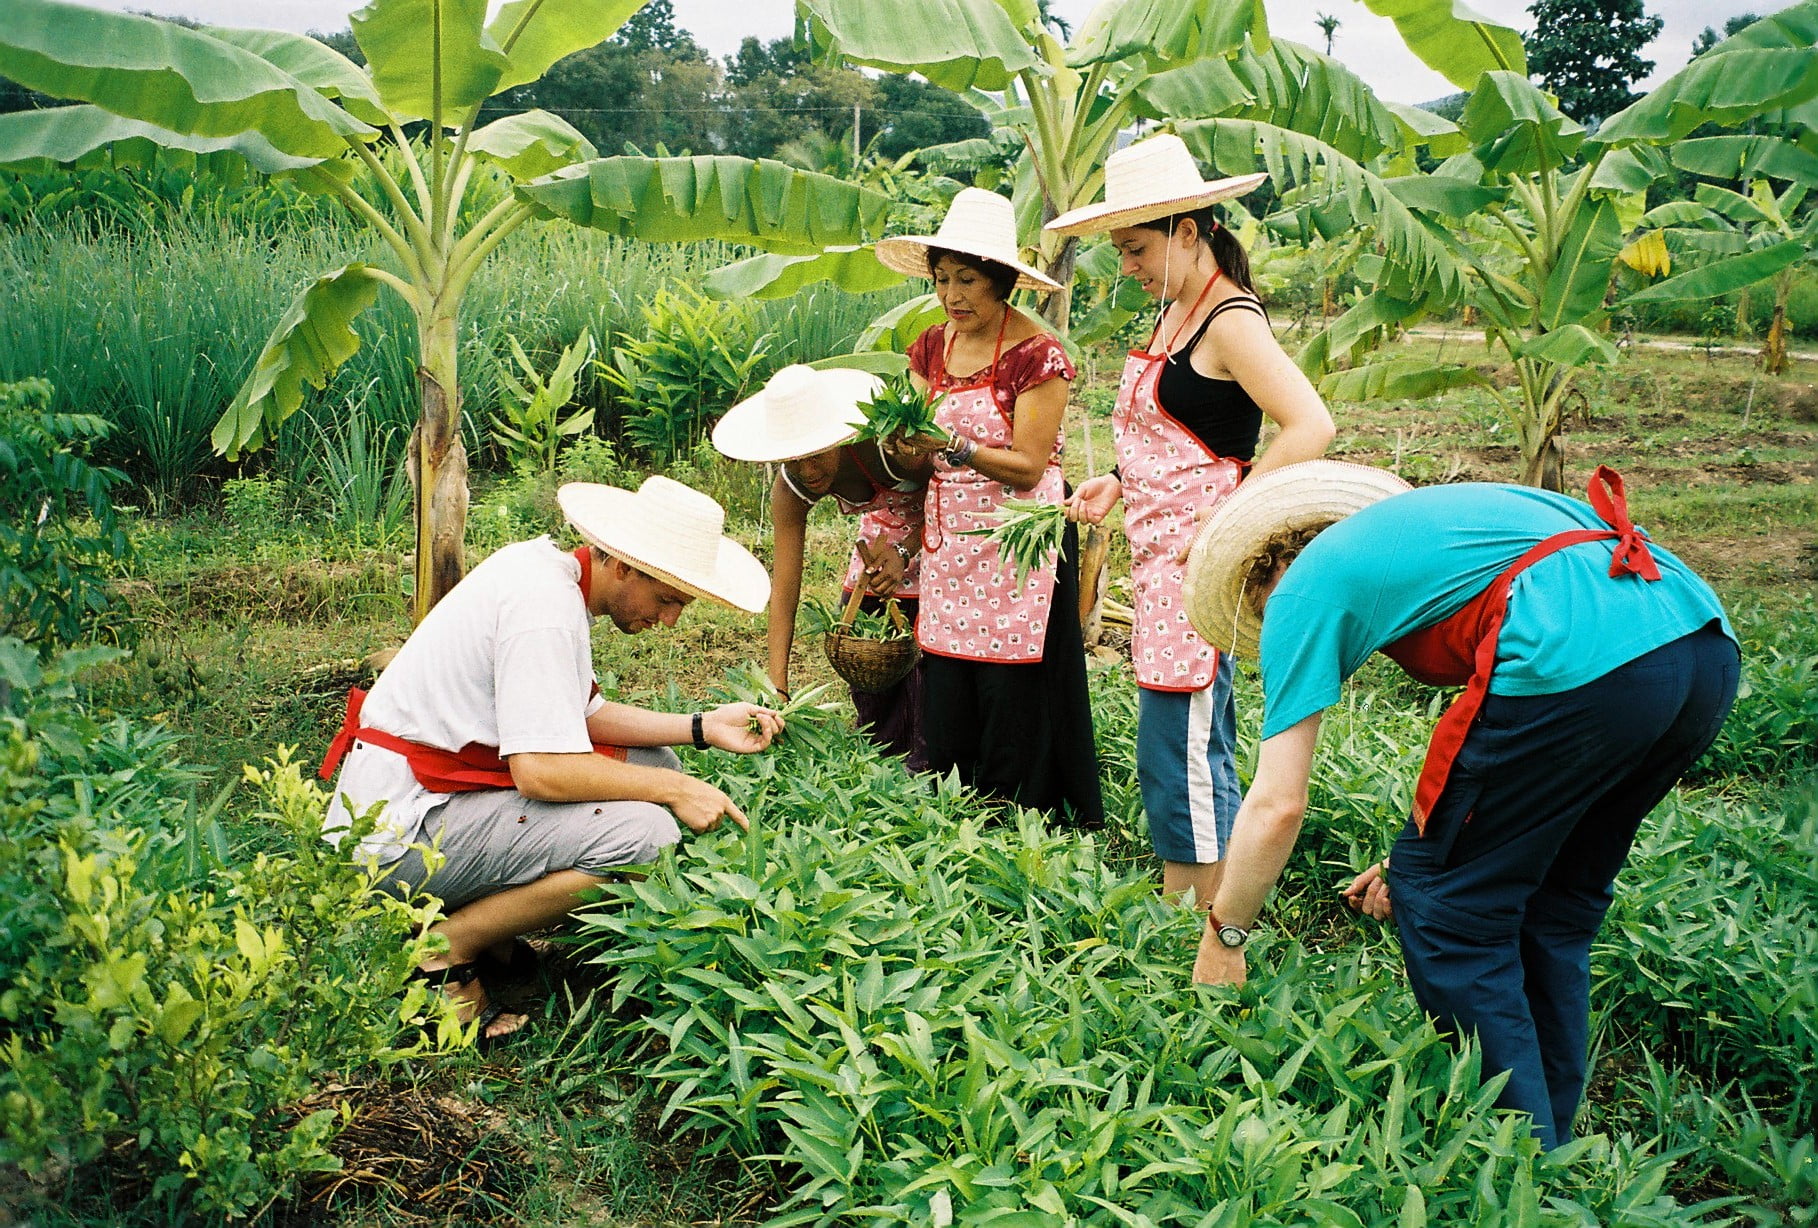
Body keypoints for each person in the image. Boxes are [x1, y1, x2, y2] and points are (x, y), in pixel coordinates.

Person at [1180, 460, 1740, 1151]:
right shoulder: (1421, 541)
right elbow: (1508, 773)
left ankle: (1521, 1159)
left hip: (1578, 662)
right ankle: (1557, 1143)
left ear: (1264, 579)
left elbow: (1277, 805)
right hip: (1697, 643)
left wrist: (1226, 934)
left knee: (1451, 910)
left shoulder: (1301, 593)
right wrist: (1423, 852)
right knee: (1552, 901)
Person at [319, 476, 782, 1043]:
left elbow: (582, 714)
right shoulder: (545, 607)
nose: (669, 621)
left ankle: (494, 933)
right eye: (667, 600)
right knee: (647, 835)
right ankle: (446, 949)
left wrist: (701, 727)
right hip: (394, 840)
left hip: (418, 805)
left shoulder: (546, 575)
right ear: (623, 566)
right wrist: (676, 792)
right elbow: (540, 771)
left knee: (656, 763)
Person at [1047, 132, 1336, 912]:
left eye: (1137, 249)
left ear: (1186, 231)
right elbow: (1183, 431)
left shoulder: (1230, 320)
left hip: (1197, 565)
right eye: (1120, 251)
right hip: (1160, 564)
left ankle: (1197, 910)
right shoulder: (1177, 310)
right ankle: (1207, 894)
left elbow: (1311, 425)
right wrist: (1117, 482)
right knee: (1182, 735)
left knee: (1179, 743)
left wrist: (1228, 519)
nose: (1128, 267)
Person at [872, 187, 1104, 826]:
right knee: (949, 677)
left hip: (1018, 542)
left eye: (967, 280)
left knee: (1014, 684)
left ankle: (1022, 811)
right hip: (952, 544)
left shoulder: (1037, 355)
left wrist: (953, 444)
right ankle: (957, 806)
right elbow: (917, 455)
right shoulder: (930, 347)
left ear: (1001, 280)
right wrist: (901, 447)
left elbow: (1029, 466)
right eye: (942, 279)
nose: (952, 295)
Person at [712, 363, 929, 769]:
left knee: (929, 680)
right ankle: (884, 761)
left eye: (815, 456)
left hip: (939, 536)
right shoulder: (790, 488)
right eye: (793, 460)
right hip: (878, 544)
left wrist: (905, 552)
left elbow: (956, 496)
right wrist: (777, 688)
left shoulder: (888, 449)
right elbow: (785, 589)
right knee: (870, 666)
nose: (807, 471)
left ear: (837, 438)